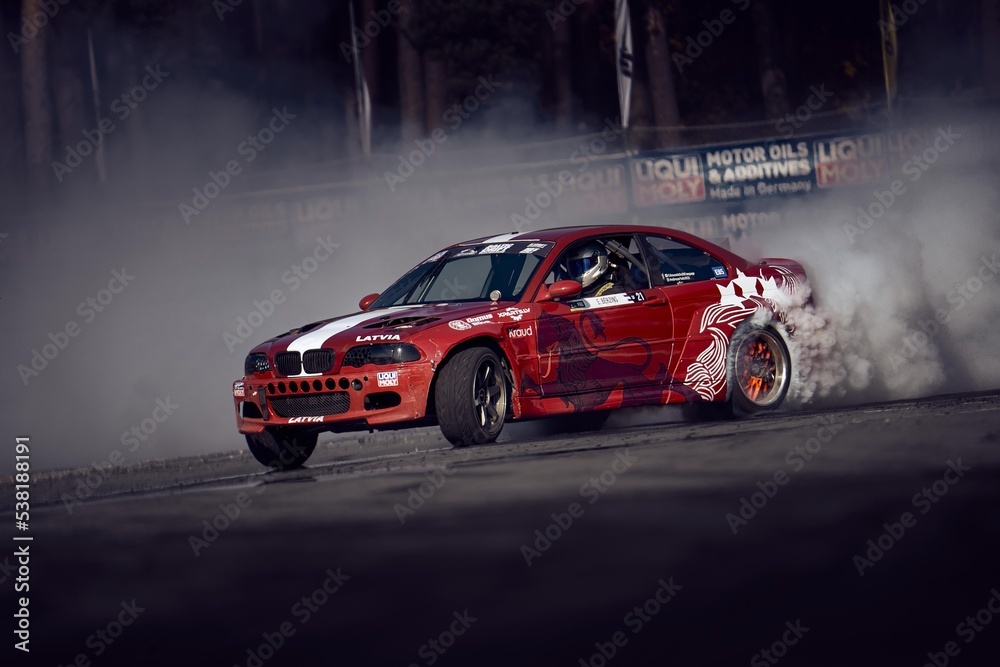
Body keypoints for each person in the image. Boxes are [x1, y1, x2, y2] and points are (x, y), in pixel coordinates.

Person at [566, 242, 634, 298]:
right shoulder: (579, 292)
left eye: (584, 264)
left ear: (598, 260)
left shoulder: (613, 293)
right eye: (574, 267)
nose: (578, 272)